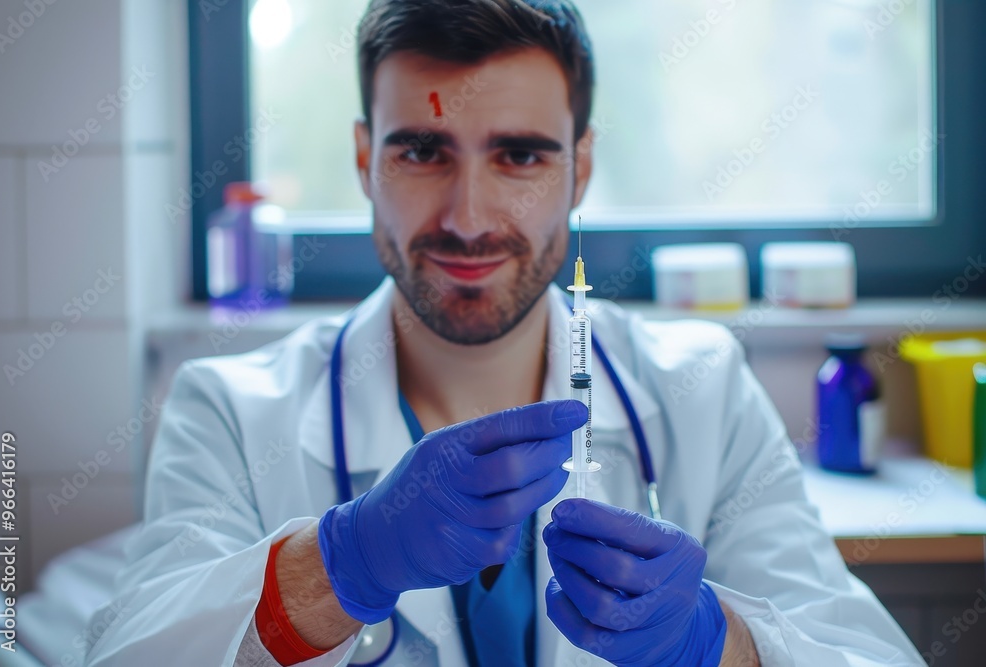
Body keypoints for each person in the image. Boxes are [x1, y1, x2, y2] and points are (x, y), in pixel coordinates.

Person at [84, 0, 924, 665]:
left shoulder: (704, 390)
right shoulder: (229, 413)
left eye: (520, 156)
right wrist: (341, 564)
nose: (468, 217)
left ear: (580, 168)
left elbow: (866, 654)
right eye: (423, 152)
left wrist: (715, 645)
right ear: (364, 158)